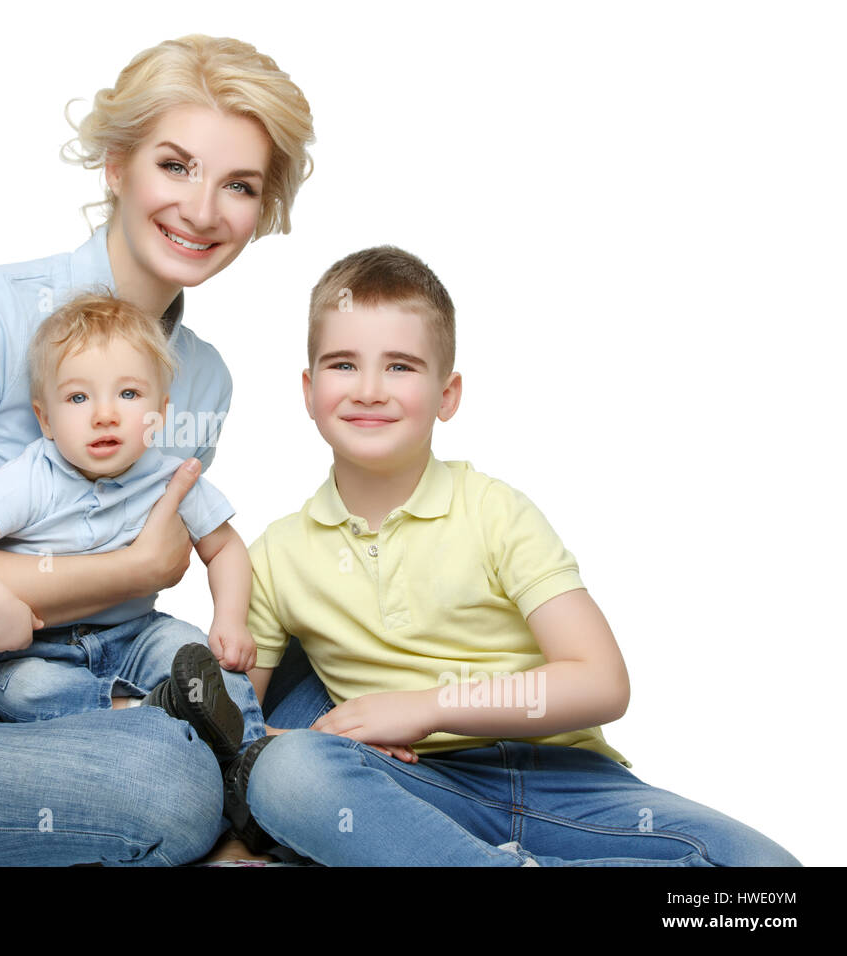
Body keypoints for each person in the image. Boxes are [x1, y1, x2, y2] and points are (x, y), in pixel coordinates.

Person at [0, 34, 313, 866]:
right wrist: (135, 568)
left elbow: (135, 610)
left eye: (239, 185)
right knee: (171, 785)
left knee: (321, 675)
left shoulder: (205, 379)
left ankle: (254, 793)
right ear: (116, 166)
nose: (202, 209)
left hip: (95, 685)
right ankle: (240, 808)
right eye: (175, 166)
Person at [223, 245, 801, 866]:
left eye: (400, 367)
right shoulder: (275, 556)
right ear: (309, 390)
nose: (368, 390)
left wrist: (423, 708)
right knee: (287, 772)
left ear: (447, 395)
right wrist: (322, 744)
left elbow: (602, 681)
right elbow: (240, 734)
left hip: (568, 782)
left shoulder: (496, 513)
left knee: (764, 874)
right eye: (343, 364)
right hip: (416, 790)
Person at [0, 291, 262, 761]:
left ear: (159, 411)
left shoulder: (168, 477)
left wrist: (230, 620)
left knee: (198, 655)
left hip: (136, 634)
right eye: (78, 397)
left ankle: (250, 761)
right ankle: (148, 710)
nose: (104, 415)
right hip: (39, 650)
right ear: (46, 419)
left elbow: (224, 548)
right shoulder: (35, 477)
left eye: (128, 394)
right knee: (23, 691)